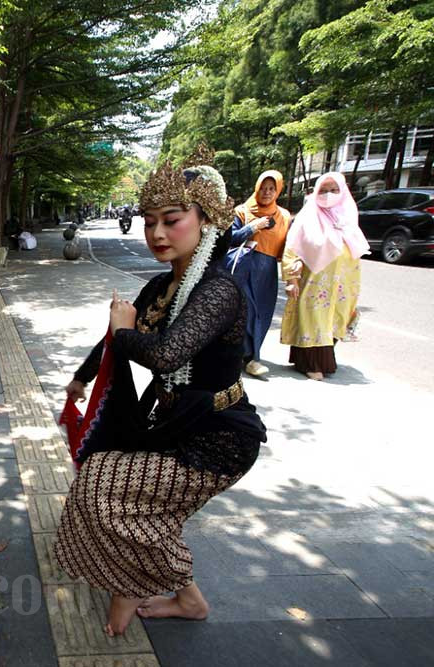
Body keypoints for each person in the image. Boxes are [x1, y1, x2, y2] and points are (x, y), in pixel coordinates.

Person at [54, 155, 266, 637]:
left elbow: (166, 354)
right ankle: (188, 601)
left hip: (218, 440)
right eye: (150, 222)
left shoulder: (219, 291)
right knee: (143, 511)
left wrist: (125, 332)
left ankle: (129, 588)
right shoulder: (160, 285)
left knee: (105, 493)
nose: (157, 233)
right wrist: (81, 377)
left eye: (172, 221)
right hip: (169, 427)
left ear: (206, 222)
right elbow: (114, 337)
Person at [280, 172, 368, 379]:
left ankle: (321, 361)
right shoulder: (308, 216)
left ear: (343, 191)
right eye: (323, 190)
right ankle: (311, 364)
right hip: (314, 284)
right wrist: (291, 280)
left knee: (335, 320)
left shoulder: (348, 215)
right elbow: (292, 248)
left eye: (334, 190)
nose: (328, 195)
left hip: (343, 283)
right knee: (313, 321)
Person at [225, 170, 291, 378]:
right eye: (263, 187)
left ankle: (252, 357)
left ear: (278, 190)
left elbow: (292, 247)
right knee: (246, 310)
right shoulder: (242, 211)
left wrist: (294, 274)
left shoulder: (284, 217)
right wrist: (252, 227)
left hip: (268, 271)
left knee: (263, 312)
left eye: (271, 189)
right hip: (244, 266)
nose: (266, 192)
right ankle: (241, 355)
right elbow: (230, 238)